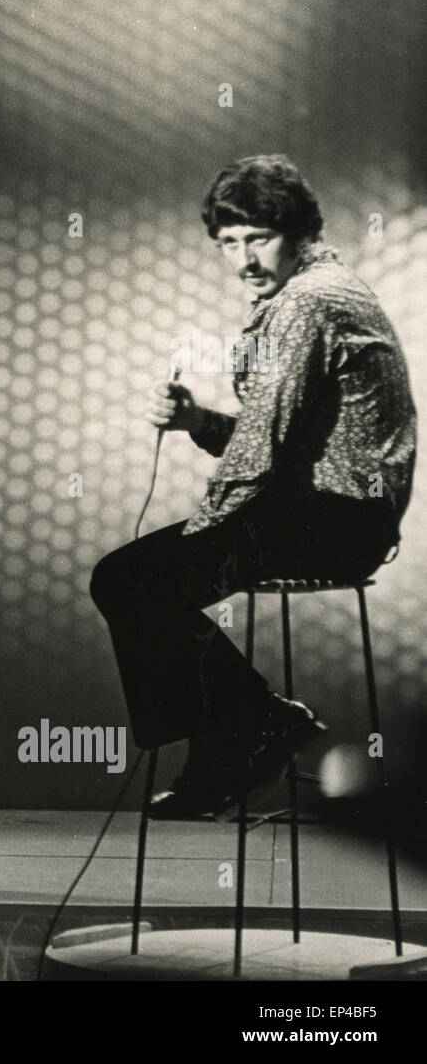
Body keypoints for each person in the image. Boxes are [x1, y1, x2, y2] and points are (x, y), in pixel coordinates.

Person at [90, 154, 417, 818]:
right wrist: (198, 421)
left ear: (298, 230)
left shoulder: (306, 304)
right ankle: (241, 736)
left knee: (132, 579)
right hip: (337, 514)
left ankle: (249, 729)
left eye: (258, 238)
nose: (243, 258)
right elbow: (288, 434)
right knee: (145, 577)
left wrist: (206, 527)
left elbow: (262, 448)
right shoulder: (321, 289)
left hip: (332, 522)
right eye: (229, 243)